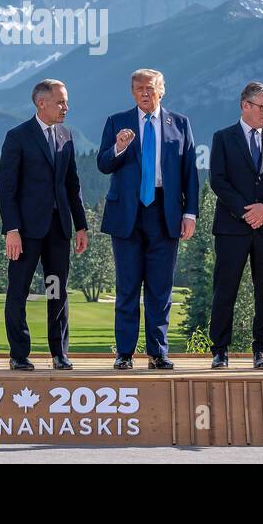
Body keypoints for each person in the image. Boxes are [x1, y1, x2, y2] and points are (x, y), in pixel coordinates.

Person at [97, 68, 199, 370]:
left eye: (150, 88)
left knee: (160, 288)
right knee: (127, 286)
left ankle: (157, 353)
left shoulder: (180, 124)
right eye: (139, 88)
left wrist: (190, 212)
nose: (145, 93)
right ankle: (125, 353)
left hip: (164, 213)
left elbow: (189, 172)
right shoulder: (117, 122)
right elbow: (103, 164)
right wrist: (119, 147)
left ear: (162, 90)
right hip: (127, 214)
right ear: (132, 91)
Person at [0, 79, 89, 371]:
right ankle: (19, 354)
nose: (66, 107)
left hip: (58, 230)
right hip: (25, 231)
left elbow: (72, 185)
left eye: (66, 101)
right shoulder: (18, 136)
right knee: (18, 292)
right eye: (61, 102)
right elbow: (6, 188)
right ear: (41, 103)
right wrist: (11, 229)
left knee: (57, 291)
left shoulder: (66, 135)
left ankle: (59, 353)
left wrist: (81, 226)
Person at [207, 82, 263, 370]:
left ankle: (262, 350)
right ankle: (220, 350)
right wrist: (247, 212)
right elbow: (217, 180)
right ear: (245, 105)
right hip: (233, 226)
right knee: (225, 289)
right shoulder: (223, 138)